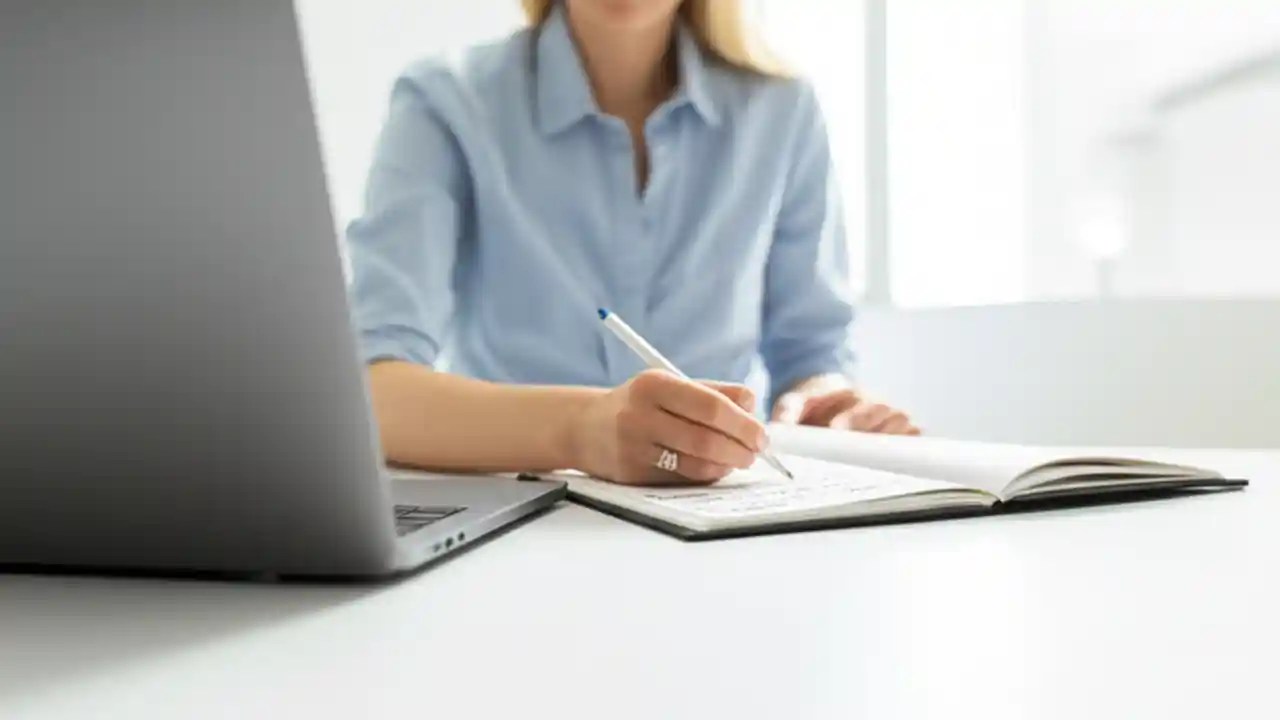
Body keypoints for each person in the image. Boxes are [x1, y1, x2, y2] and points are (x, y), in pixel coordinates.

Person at [347, 0, 918, 487]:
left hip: (722, 519)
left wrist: (826, 403)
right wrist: (581, 428)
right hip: (522, 522)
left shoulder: (783, 109)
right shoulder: (445, 101)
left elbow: (810, 351)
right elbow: (374, 392)